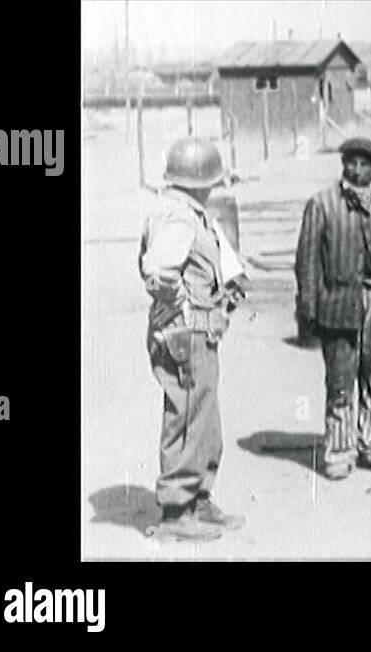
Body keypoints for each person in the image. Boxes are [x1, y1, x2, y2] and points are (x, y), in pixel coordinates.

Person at [139, 138, 246, 541]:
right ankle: (174, 513)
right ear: (202, 181)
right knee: (185, 418)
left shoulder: (188, 213)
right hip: (186, 332)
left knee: (203, 419)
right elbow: (158, 272)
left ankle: (198, 499)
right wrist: (182, 310)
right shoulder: (178, 216)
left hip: (200, 329)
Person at [295, 137, 371, 480]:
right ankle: (339, 451)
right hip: (338, 305)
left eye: (365, 164)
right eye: (351, 162)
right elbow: (308, 262)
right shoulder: (322, 204)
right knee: (341, 382)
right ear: (342, 164)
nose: (357, 169)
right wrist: (308, 311)